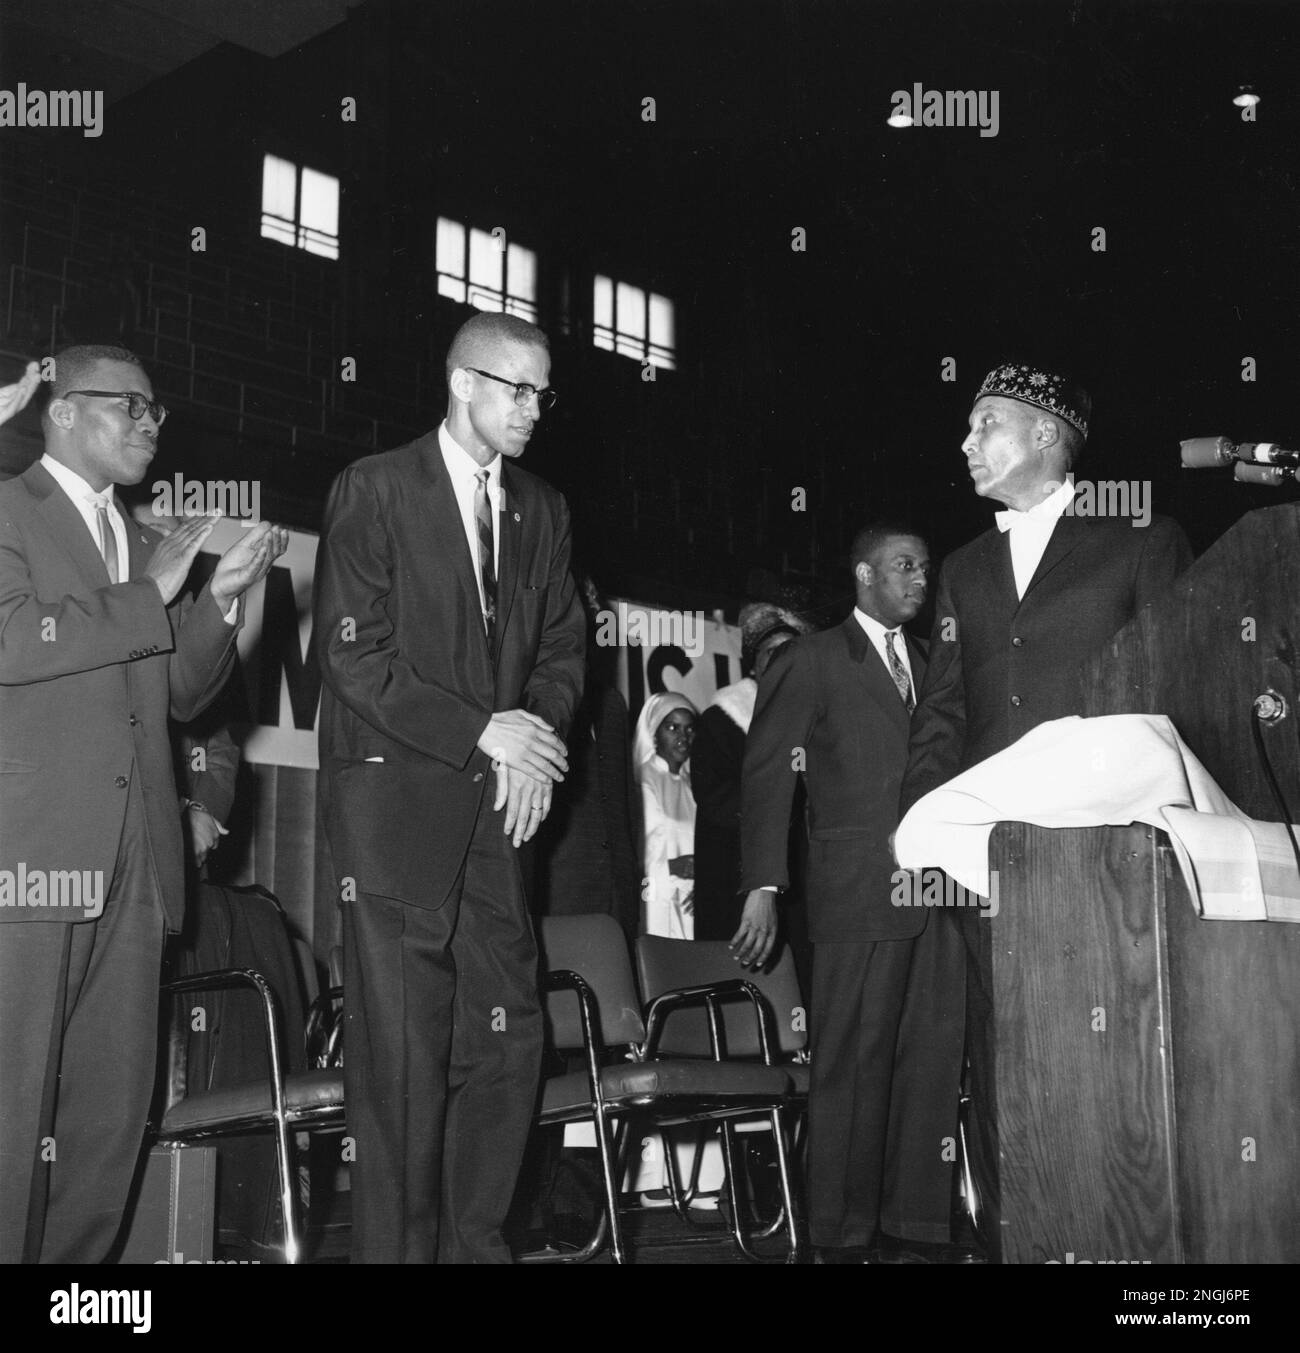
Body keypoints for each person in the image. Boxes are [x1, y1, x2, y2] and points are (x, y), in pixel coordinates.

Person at [0, 343, 287, 1263]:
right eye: (131, 406)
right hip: (34, 857)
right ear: (61, 410)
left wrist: (217, 610)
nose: (151, 425)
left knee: (110, 1113)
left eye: (155, 410)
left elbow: (177, 698)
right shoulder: (8, 508)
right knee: (13, 1108)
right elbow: (10, 639)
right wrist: (148, 593)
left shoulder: (140, 536)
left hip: (138, 861)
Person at [900, 361, 1193, 1256]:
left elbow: (1178, 692)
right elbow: (945, 710)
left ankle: (1128, 1246)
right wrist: (917, 829)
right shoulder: (962, 567)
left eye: (984, 423)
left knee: (1117, 1056)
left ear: (1045, 435)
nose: (965, 442)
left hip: (1113, 862)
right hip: (995, 858)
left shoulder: (1140, 535)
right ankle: (1010, 1242)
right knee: (1000, 1053)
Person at [314, 311, 585, 1264]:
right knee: (399, 1062)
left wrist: (532, 747)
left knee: (508, 1041)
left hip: (497, 813)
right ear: (463, 383)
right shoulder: (376, 488)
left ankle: (476, 1247)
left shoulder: (542, 510)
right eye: (518, 389)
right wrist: (483, 731)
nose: (535, 409)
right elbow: (352, 657)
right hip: (396, 812)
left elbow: (560, 648)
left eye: (544, 393)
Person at [736, 524, 966, 1263]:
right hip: (854, 890)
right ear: (865, 574)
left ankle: (915, 1224)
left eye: (926, 568)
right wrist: (763, 885)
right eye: (906, 565)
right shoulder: (810, 659)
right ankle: (837, 1231)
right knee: (849, 1063)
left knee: (929, 1054)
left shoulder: (935, 664)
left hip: (934, 893)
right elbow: (768, 773)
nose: (921, 579)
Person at [532, 575, 641, 940]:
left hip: (615, 894)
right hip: (558, 891)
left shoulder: (611, 705)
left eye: (597, 617)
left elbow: (624, 807)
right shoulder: (535, 698)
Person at [692, 604, 807, 945]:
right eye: (772, 652)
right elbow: (716, 799)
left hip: (802, 879)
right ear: (754, 665)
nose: (783, 660)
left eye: (792, 652)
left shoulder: (814, 720)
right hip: (737, 875)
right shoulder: (722, 720)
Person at [633, 691, 699, 940]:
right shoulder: (640, 780)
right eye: (673, 727)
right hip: (653, 903)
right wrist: (671, 866)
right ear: (654, 732)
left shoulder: (695, 786)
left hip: (691, 906)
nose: (683, 738)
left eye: (689, 729)